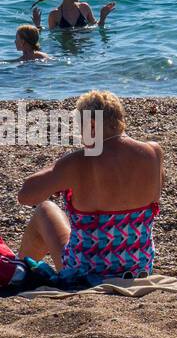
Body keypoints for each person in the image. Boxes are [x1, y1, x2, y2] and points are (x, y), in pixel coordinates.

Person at [12, 90, 162, 283]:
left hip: (86, 273)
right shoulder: (153, 153)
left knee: (45, 209)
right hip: (137, 268)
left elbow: (25, 195)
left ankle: (17, 273)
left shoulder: (80, 161)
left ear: (92, 125)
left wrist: (60, 169)